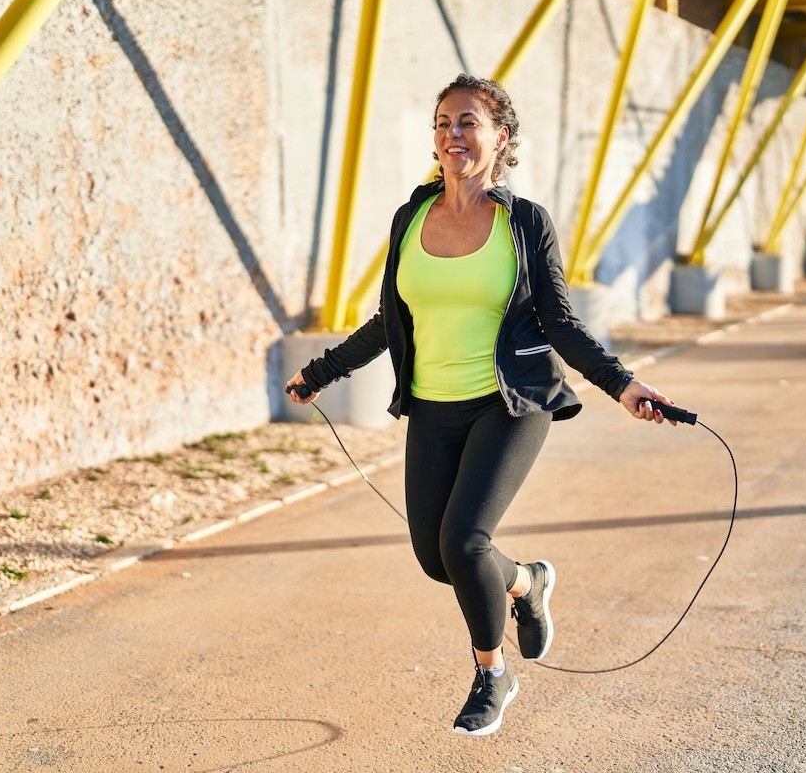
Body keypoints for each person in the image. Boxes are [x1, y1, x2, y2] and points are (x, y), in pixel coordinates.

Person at [286, 74, 681, 736]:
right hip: (433, 408)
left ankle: (492, 675)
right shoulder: (410, 218)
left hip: (511, 401)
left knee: (465, 541)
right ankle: (527, 583)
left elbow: (560, 322)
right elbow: (390, 321)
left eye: (468, 121)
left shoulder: (523, 225)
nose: (452, 135)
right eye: (443, 122)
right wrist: (322, 373)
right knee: (436, 557)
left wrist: (624, 385)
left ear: (501, 137)